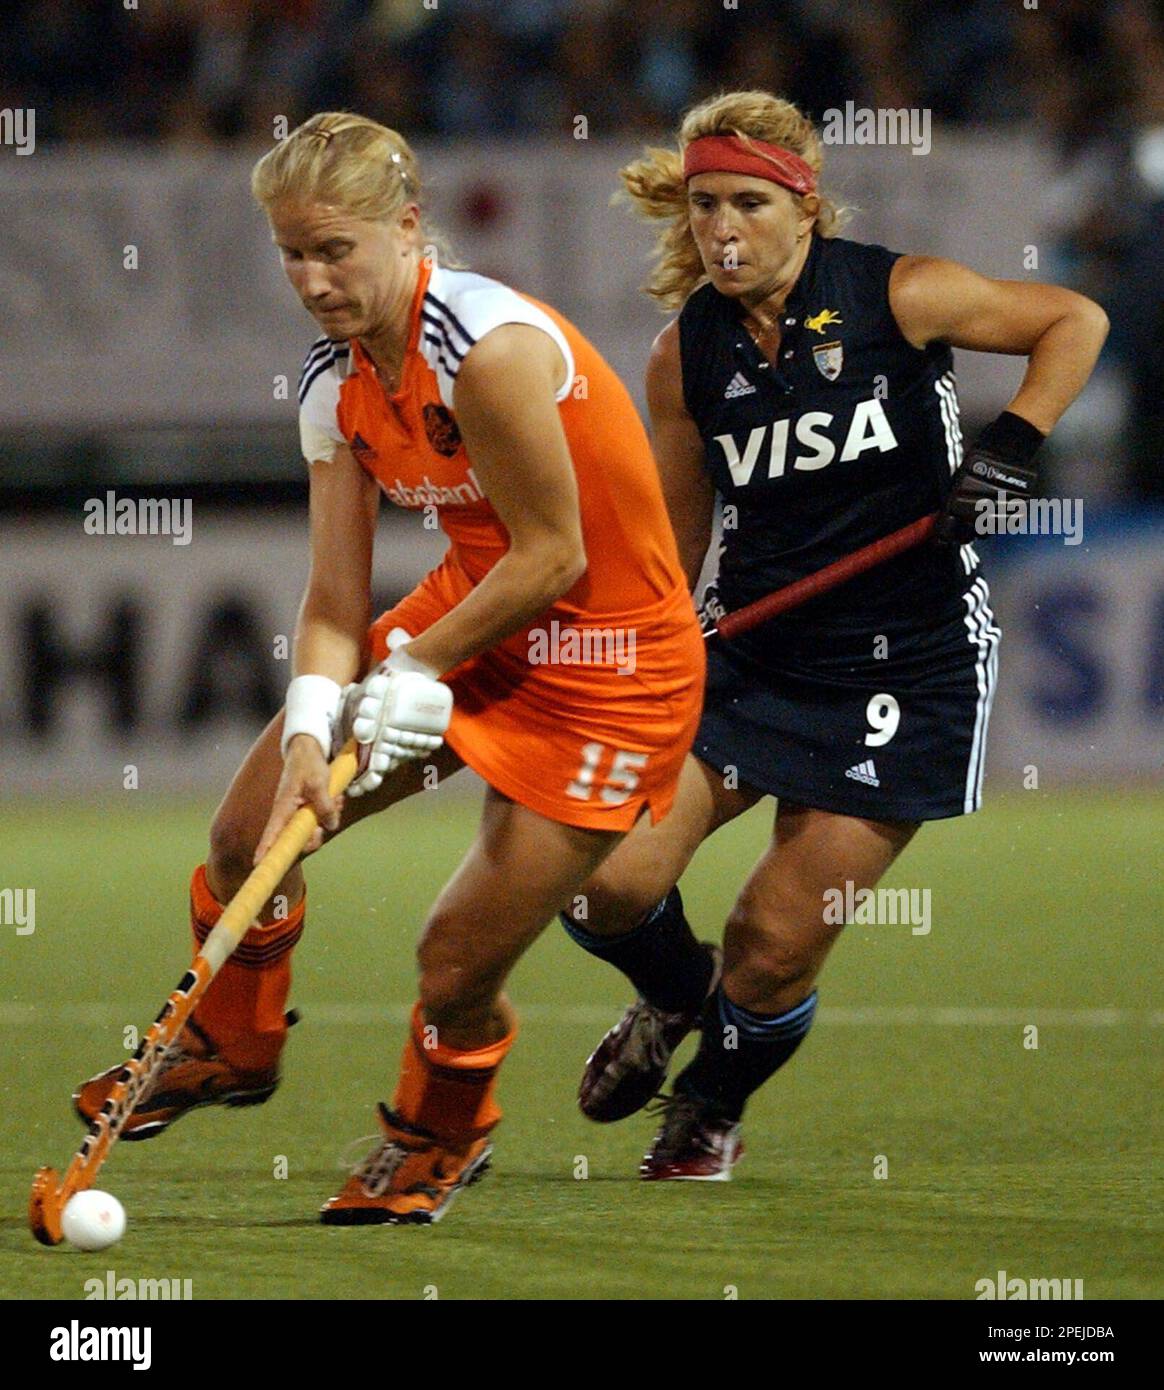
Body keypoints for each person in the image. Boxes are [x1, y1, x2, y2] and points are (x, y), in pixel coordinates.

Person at [74, 112, 705, 1225]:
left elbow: (556, 554)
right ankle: (234, 1039)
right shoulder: (335, 381)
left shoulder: (489, 348)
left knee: (453, 962)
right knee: (247, 831)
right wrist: (315, 735)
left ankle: (439, 1134)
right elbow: (330, 602)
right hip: (474, 619)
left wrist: (421, 661)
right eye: (291, 254)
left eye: (335, 249)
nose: (313, 279)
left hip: (611, 665)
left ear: (407, 227)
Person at [561, 89, 1110, 1180]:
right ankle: (675, 995)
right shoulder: (686, 355)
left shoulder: (899, 292)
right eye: (705, 204)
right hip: (751, 655)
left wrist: (1014, 442)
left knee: (772, 944)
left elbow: (1072, 321)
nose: (722, 229)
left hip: (909, 663)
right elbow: (677, 537)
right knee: (593, 875)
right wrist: (632, 641)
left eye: (750, 204)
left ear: (806, 207)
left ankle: (711, 1103)